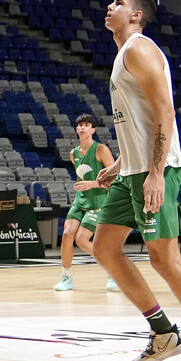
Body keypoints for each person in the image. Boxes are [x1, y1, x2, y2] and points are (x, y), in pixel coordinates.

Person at [91, 0, 181, 361]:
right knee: (104, 248)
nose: (109, 7)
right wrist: (120, 162)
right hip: (133, 170)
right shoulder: (123, 54)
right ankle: (165, 335)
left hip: (156, 170)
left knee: (164, 259)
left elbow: (165, 109)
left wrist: (154, 172)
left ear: (135, 15)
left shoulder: (138, 48)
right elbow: (141, 120)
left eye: (117, 3)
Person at [54, 113, 117, 292]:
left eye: (87, 124)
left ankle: (113, 269)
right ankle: (66, 277)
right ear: (76, 129)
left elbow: (116, 178)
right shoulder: (73, 154)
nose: (82, 127)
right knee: (67, 234)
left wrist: (94, 184)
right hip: (80, 202)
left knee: (81, 240)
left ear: (93, 130)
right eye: (80, 124)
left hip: (98, 202)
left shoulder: (101, 150)